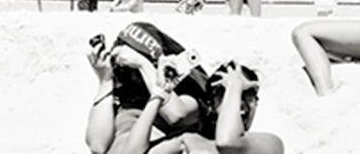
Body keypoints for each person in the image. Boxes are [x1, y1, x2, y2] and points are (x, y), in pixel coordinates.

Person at [84, 29, 284, 153]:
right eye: (226, 97)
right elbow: (100, 147)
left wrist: (233, 86)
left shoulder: (270, 144)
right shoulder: (188, 140)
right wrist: (157, 93)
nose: (241, 109)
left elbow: (228, 142)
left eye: (248, 98)